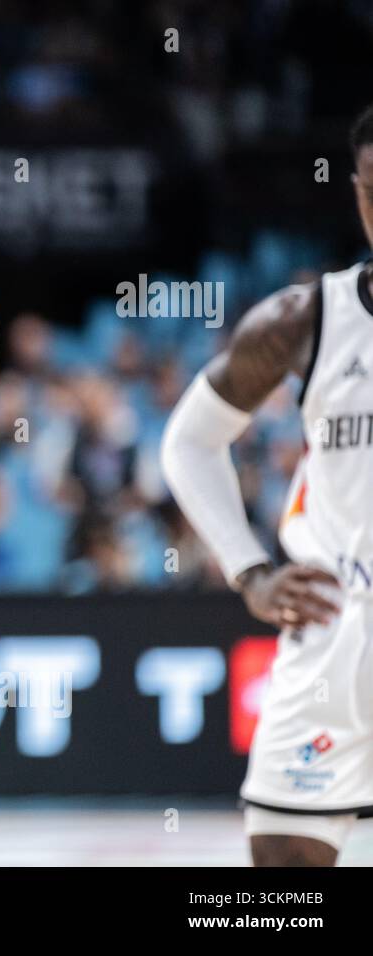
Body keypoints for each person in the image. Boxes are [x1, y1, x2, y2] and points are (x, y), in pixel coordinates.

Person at [161, 102, 373, 866]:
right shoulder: (306, 319)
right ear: (357, 191)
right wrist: (250, 570)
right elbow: (189, 443)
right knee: (281, 880)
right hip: (336, 634)